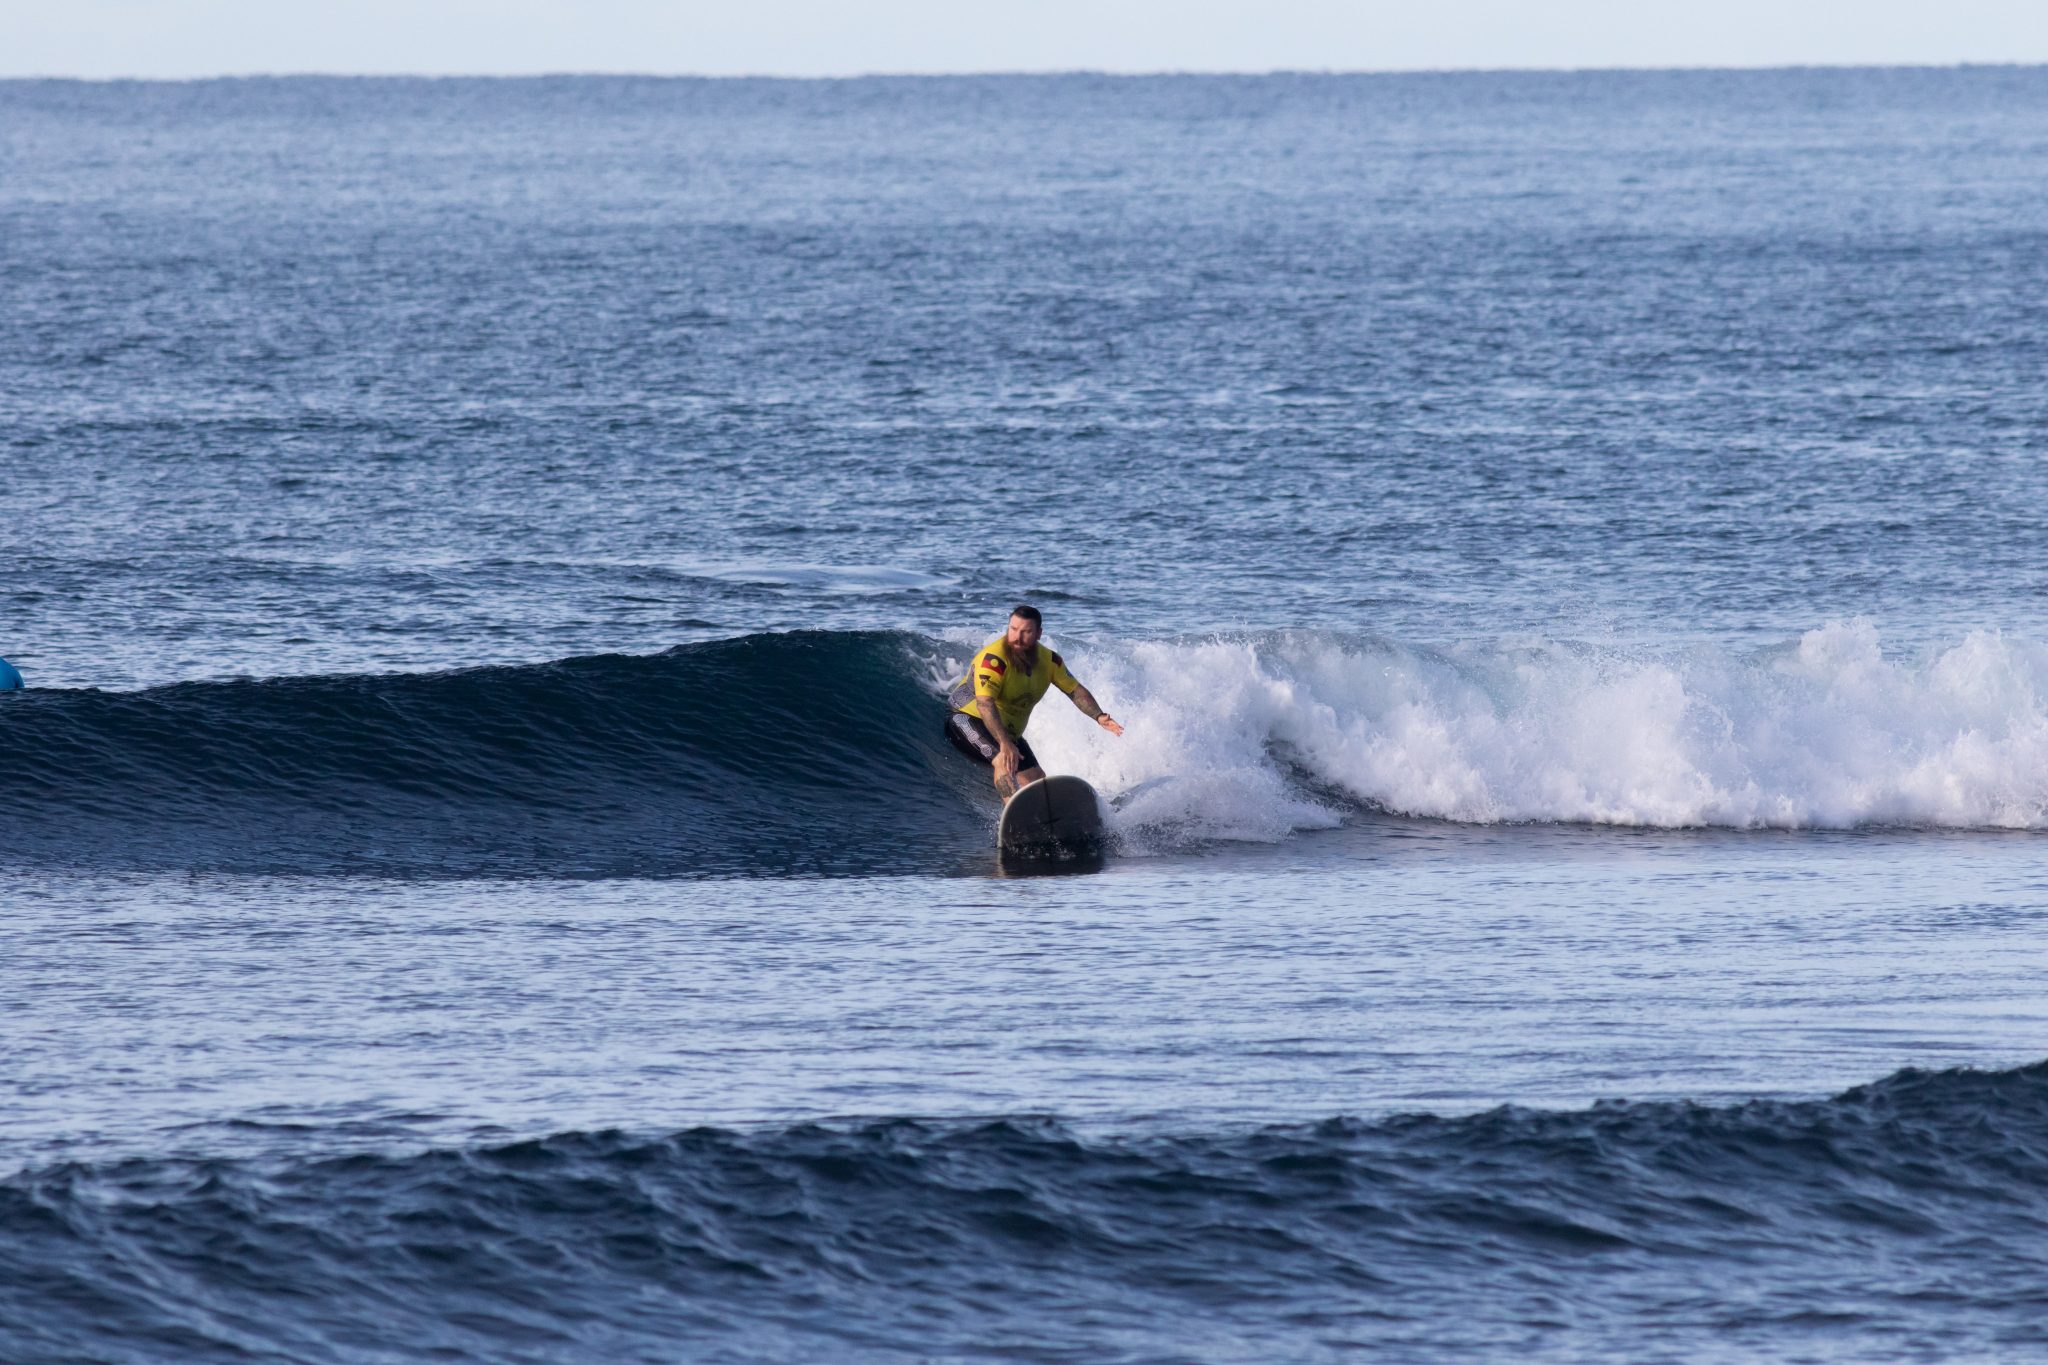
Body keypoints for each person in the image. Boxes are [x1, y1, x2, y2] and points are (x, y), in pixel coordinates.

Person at [945, 604, 1122, 797]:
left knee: (1037, 778)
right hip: (966, 719)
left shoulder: (1050, 661)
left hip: (1006, 732)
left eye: (1026, 632)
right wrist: (1004, 742)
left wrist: (1099, 715)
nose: (1017, 637)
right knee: (1004, 760)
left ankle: (1047, 820)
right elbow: (985, 704)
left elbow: (1075, 691)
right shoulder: (994, 660)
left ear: (1038, 633)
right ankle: (1013, 816)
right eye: (1013, 629)